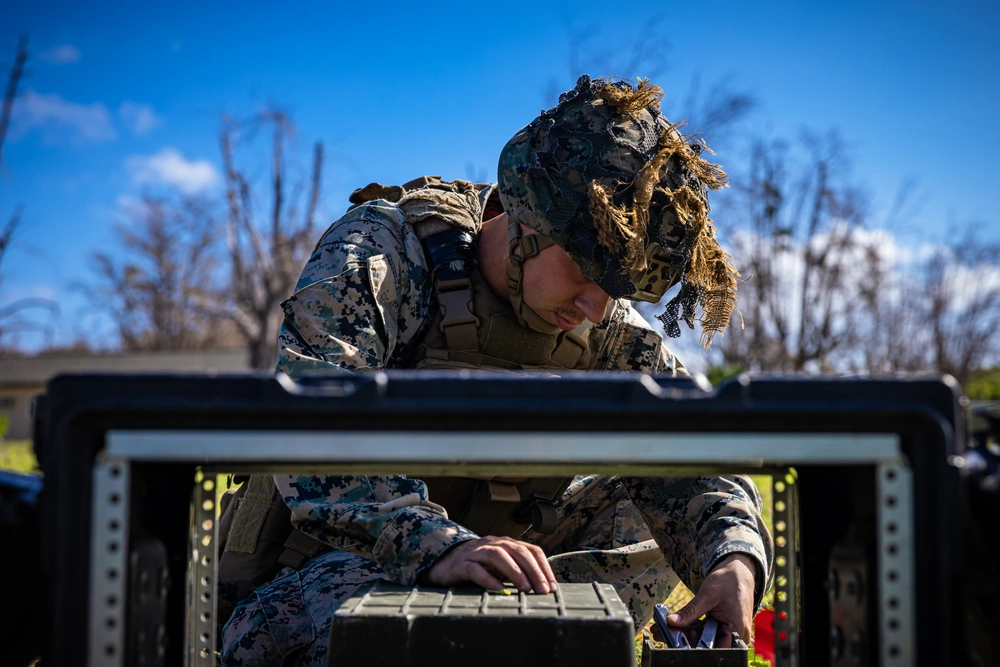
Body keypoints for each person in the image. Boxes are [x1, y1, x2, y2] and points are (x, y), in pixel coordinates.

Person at [221, 75, 774, 666]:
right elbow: (310, 424)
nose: (596, 308)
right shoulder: (385, 253)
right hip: (339, 571)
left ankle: (558, 639)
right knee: (390, 633)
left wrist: (733, 561)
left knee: (648, 501)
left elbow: (689, 448)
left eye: (615, 291)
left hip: (500, 575)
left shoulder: (606, 322)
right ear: (526, 225)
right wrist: (437, 547)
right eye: (586, 277)